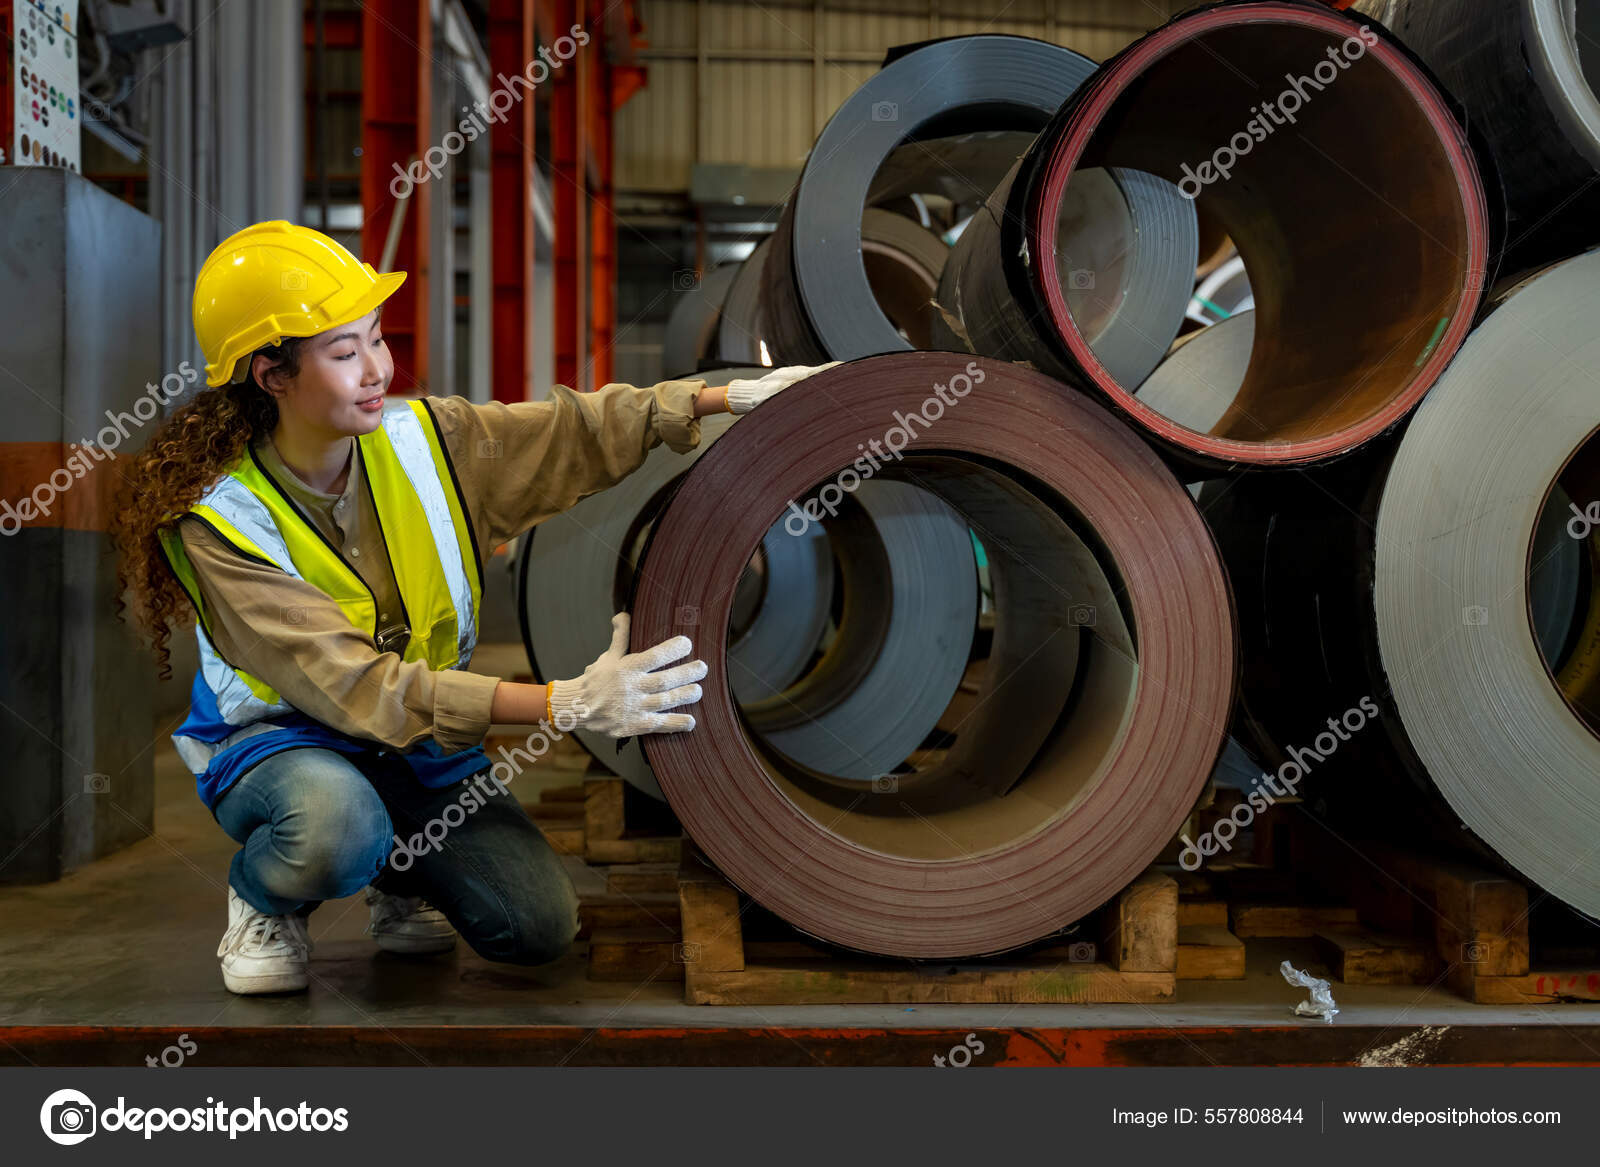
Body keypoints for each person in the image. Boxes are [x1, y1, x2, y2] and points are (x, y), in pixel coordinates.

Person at [110, 221, 828, 995]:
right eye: (344, 353)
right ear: (271, 374)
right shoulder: (221, 520)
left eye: (376, 338)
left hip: (417, 749)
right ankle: (265, 897)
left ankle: (400, 872)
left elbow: (568, 433)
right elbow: (358, 686)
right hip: (285, 748)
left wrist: (721, 398)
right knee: (335, 827)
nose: (377, 369)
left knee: (535, 926)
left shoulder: (423, 441)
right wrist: (565, 701)